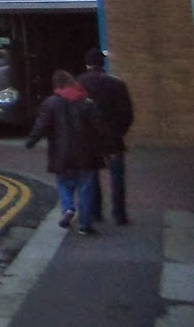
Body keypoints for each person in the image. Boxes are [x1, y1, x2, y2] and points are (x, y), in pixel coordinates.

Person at [25, 68, 105, 235]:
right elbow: (99, 129)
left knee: (63, 184)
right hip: (86, 154)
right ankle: (85, 225)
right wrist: (107, 148)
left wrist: (31, 141)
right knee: (85, 189)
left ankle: (68, 209)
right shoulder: (87, 102)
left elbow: (41, 125)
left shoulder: (51, 103)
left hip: (60, 154)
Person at [77, 47, 135, 226]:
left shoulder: (79, 83)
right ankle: (120, 215)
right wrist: (119, 132)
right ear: (103, 63)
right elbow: (128, 114)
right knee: (117, 177)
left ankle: (95, 213)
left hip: (89, 139)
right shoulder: (117, 83)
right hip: (113, 138)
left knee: (91, 176)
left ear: (87, 64)